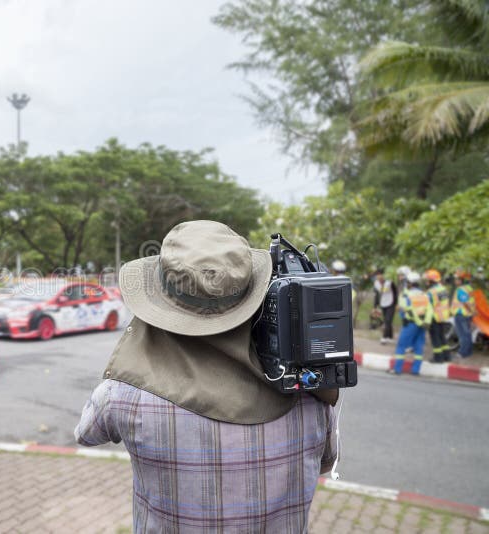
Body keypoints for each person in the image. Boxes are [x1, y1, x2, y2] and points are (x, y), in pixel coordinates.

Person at [75, 220, 338, 533]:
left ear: (159, 305)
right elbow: (324, 462)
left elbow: (86, 433)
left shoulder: (123, 394)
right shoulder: (309, 387)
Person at [391, 271, 432, 375]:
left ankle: (397, 369)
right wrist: (426, 322)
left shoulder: (408, 295)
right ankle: (416, 370)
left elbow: (408, 310)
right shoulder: (424, 295)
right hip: (422, 325)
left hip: (410, 324)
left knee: (401, 346)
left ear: (410, 283)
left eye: (407, 282)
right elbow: (430, 309)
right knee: (419, 347)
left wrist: (401, 309)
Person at [424, 269, 452, 363]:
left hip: (434, 317)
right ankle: (447, 356)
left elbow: (428, 306)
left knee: (435, 338)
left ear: (431, 281)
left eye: (427, 280)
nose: (426, 282)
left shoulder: (431, 292)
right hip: (443, 316)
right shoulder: (443, 288)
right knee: (442, 337)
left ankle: (438, 358)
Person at [451, 270, 475, 358]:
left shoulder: (461, 289)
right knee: (467, 334)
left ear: (461, 280)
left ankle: (462, 353)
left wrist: (472, 311)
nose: (455, 281)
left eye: (456, 279)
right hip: (467, 315)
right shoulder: (469, 288)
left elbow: (466, 302)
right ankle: (468, 351)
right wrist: (472, 312)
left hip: (461, 314)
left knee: (463, 334)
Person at [373, 268, 398, 344]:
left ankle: (384, 337)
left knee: (387, 320)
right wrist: (375, 306)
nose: (379, 277)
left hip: (391, 303)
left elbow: (395, 292)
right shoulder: (376, 283)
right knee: (387, 321)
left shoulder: (390, 282)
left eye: (380, 275)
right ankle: (389, 337)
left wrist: (396, 303)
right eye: (377, 275)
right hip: (383, 303)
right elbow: (376, 295)